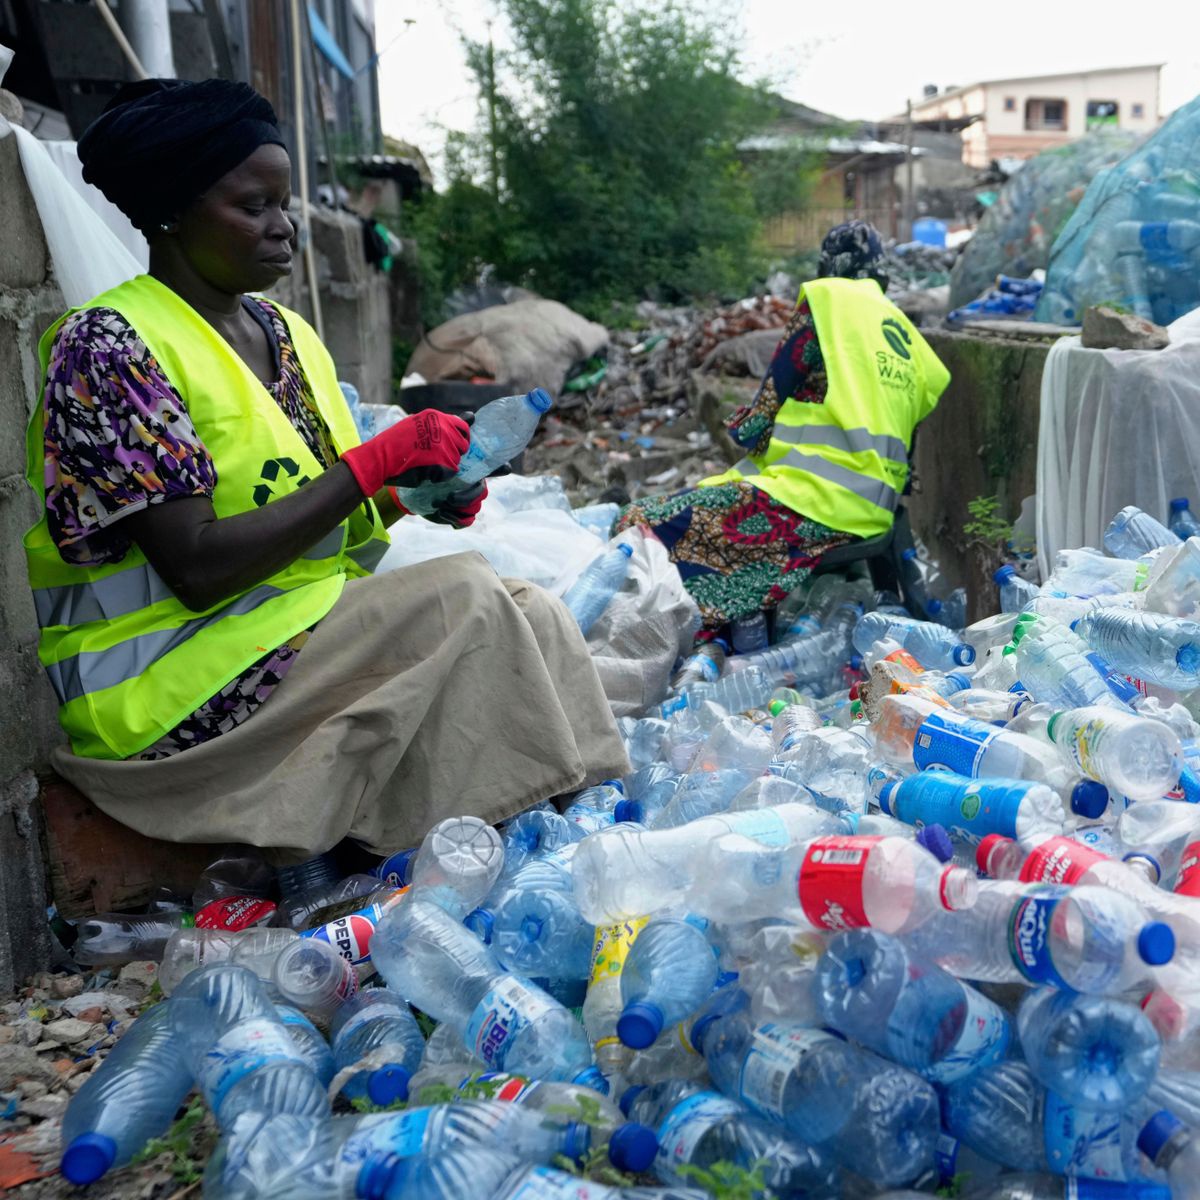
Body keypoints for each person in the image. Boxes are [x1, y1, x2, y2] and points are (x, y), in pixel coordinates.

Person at [24, 79, 628, 860]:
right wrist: (377, 460)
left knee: (533, 609)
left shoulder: (284, 332)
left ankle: (586, 835)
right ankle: (479, 860)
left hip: (284, 642)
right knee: (462, 599)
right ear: (171, 212)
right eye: (254, 207)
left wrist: (418, 497)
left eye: (286, 204)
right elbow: (197, 568)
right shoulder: (107, 347)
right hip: (164, 692)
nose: (285, 229)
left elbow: (329, 520)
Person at [617, 220, 950, 636]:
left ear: (830, 265)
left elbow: (761, 415)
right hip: (876, 511)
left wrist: (741, 428)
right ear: (880, 269)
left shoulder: (830, 305)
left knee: (639, 521)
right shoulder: (909, 339)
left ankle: (675, 633)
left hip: (814, 503)